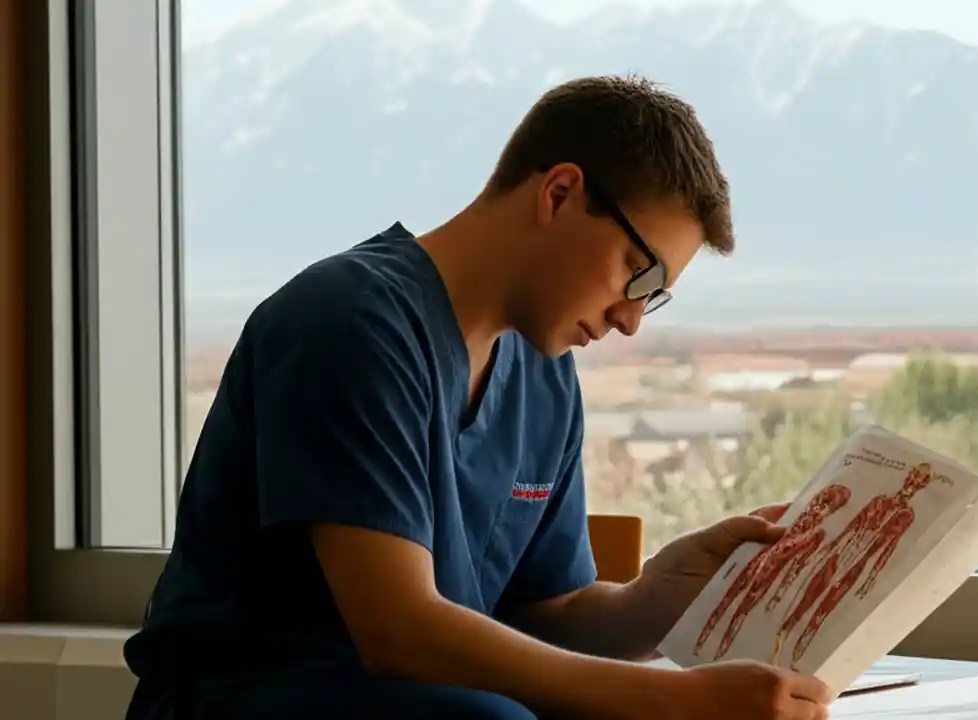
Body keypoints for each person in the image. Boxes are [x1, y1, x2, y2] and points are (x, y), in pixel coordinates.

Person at [122, 74, 835, 720]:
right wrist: (671, 699)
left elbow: (542, 612)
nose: (630, 319)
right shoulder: (347, 324)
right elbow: (399, 631)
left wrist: (663, 597)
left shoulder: (545, 371)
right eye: (637, 275)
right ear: (558, 194)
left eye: (657, 296)